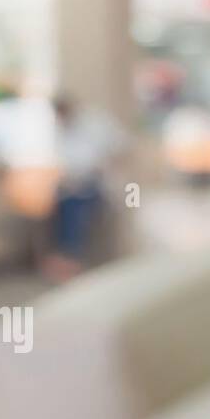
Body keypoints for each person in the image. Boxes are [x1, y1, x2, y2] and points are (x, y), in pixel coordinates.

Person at [44, 95, 127, 282]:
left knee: (74, 204)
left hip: (98, 185)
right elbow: (67, 162)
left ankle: (70, 256)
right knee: (62, 201)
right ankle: (65, 255)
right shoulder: (62, 130)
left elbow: (119, 148)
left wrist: (98, 169)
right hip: (73, 185)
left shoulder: (95, 123)